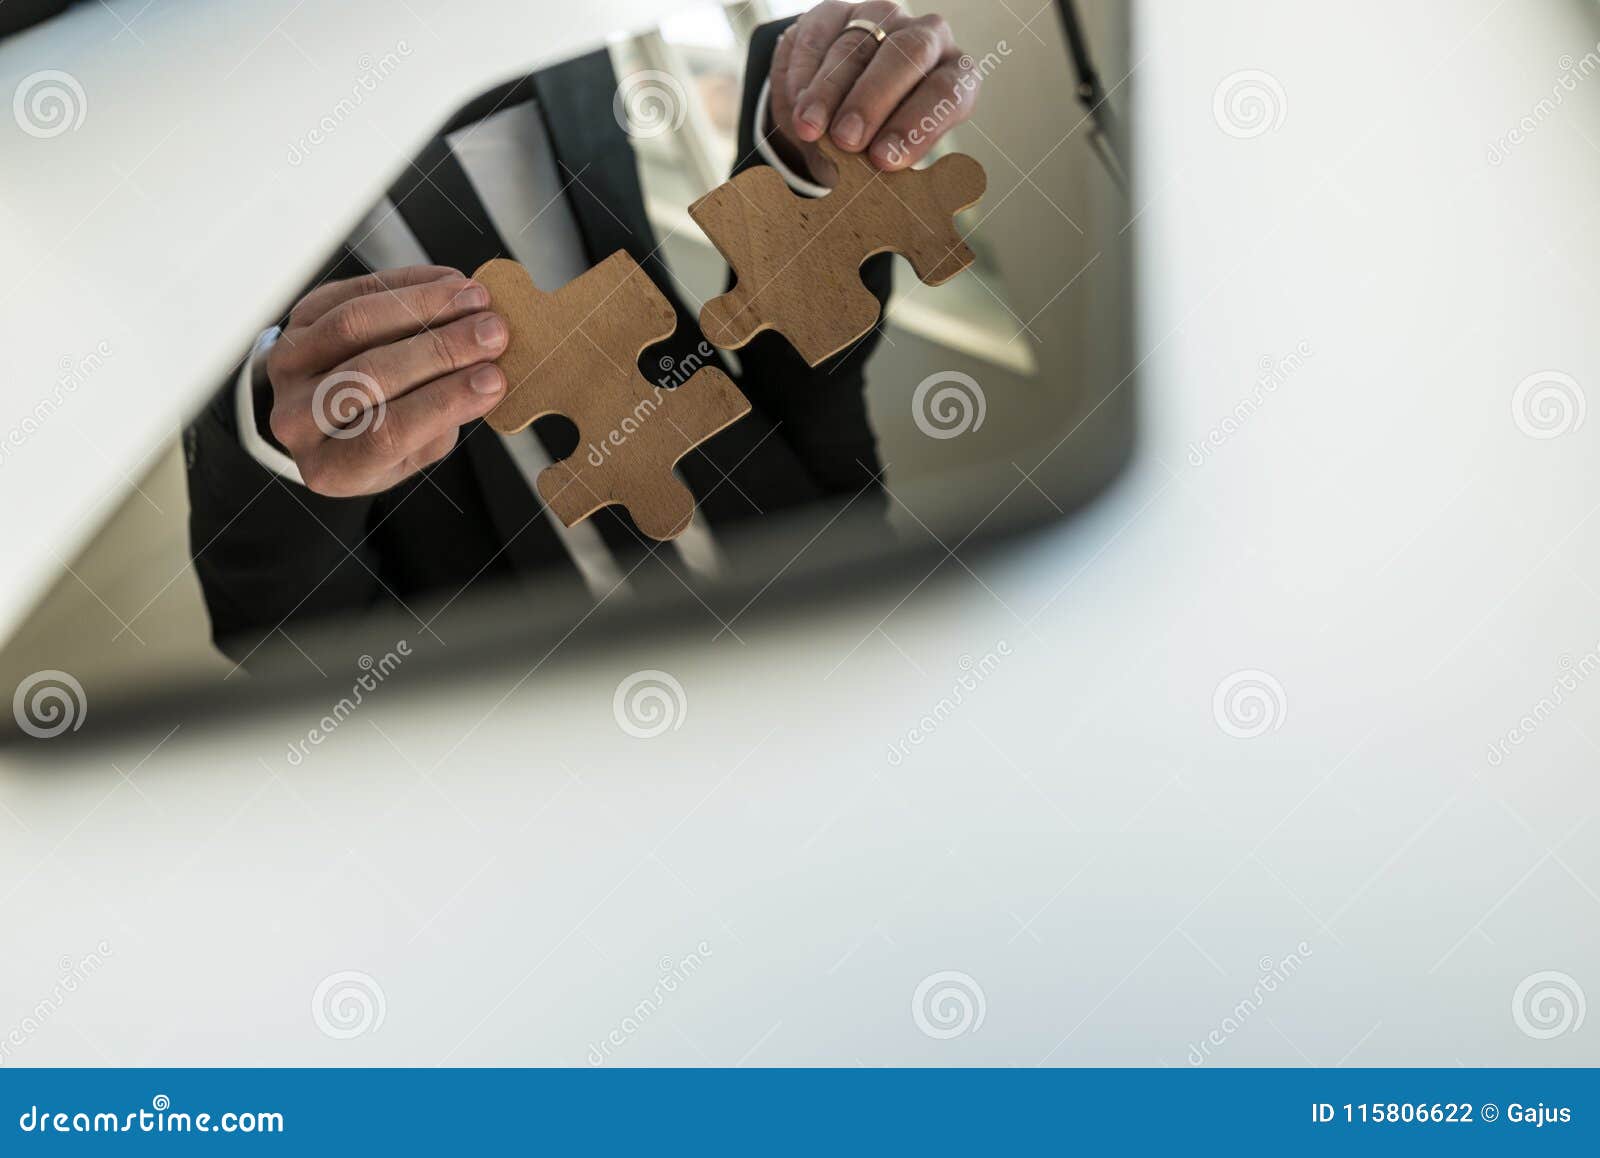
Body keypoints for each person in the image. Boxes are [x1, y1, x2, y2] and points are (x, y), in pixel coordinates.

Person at [184, 2, 983, 668]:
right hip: (518, 72)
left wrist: (277, 436)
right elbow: (811, 378)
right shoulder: (859, 584)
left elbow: (279, 634)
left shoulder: (460, 739)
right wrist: (821, 157)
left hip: (240, 126)